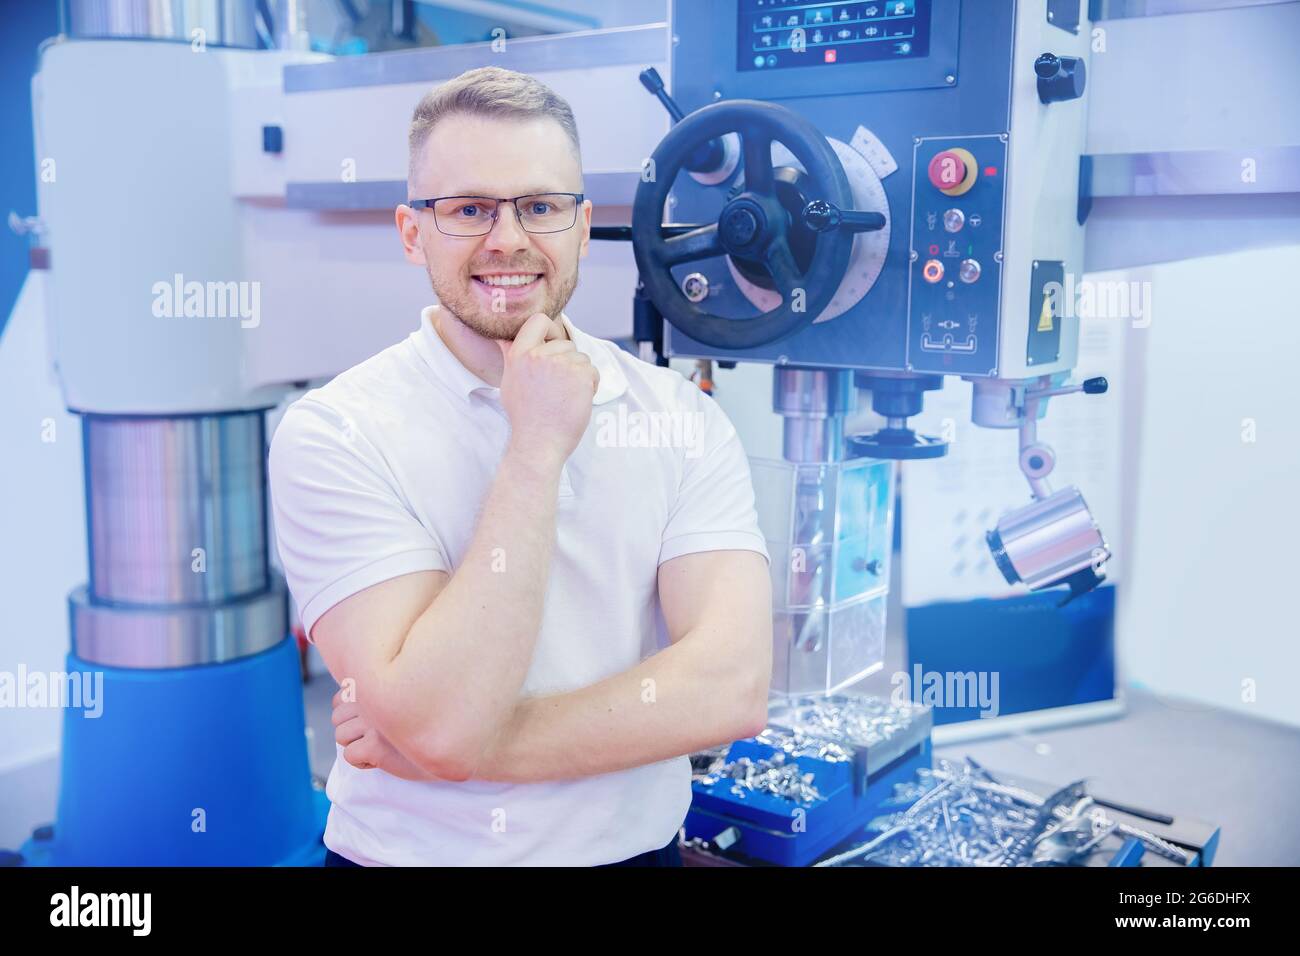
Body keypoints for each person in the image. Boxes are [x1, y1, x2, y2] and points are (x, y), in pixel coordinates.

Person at [268, 65, 772, 867]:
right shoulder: (336, 433)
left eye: (540, 206)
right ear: (411, 232)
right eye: (469, 209)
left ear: (580, 225)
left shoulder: (678, 417)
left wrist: (460, 749)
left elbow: (733, 687)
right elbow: (440, 722)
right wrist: (537, 444)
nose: (508, 239)